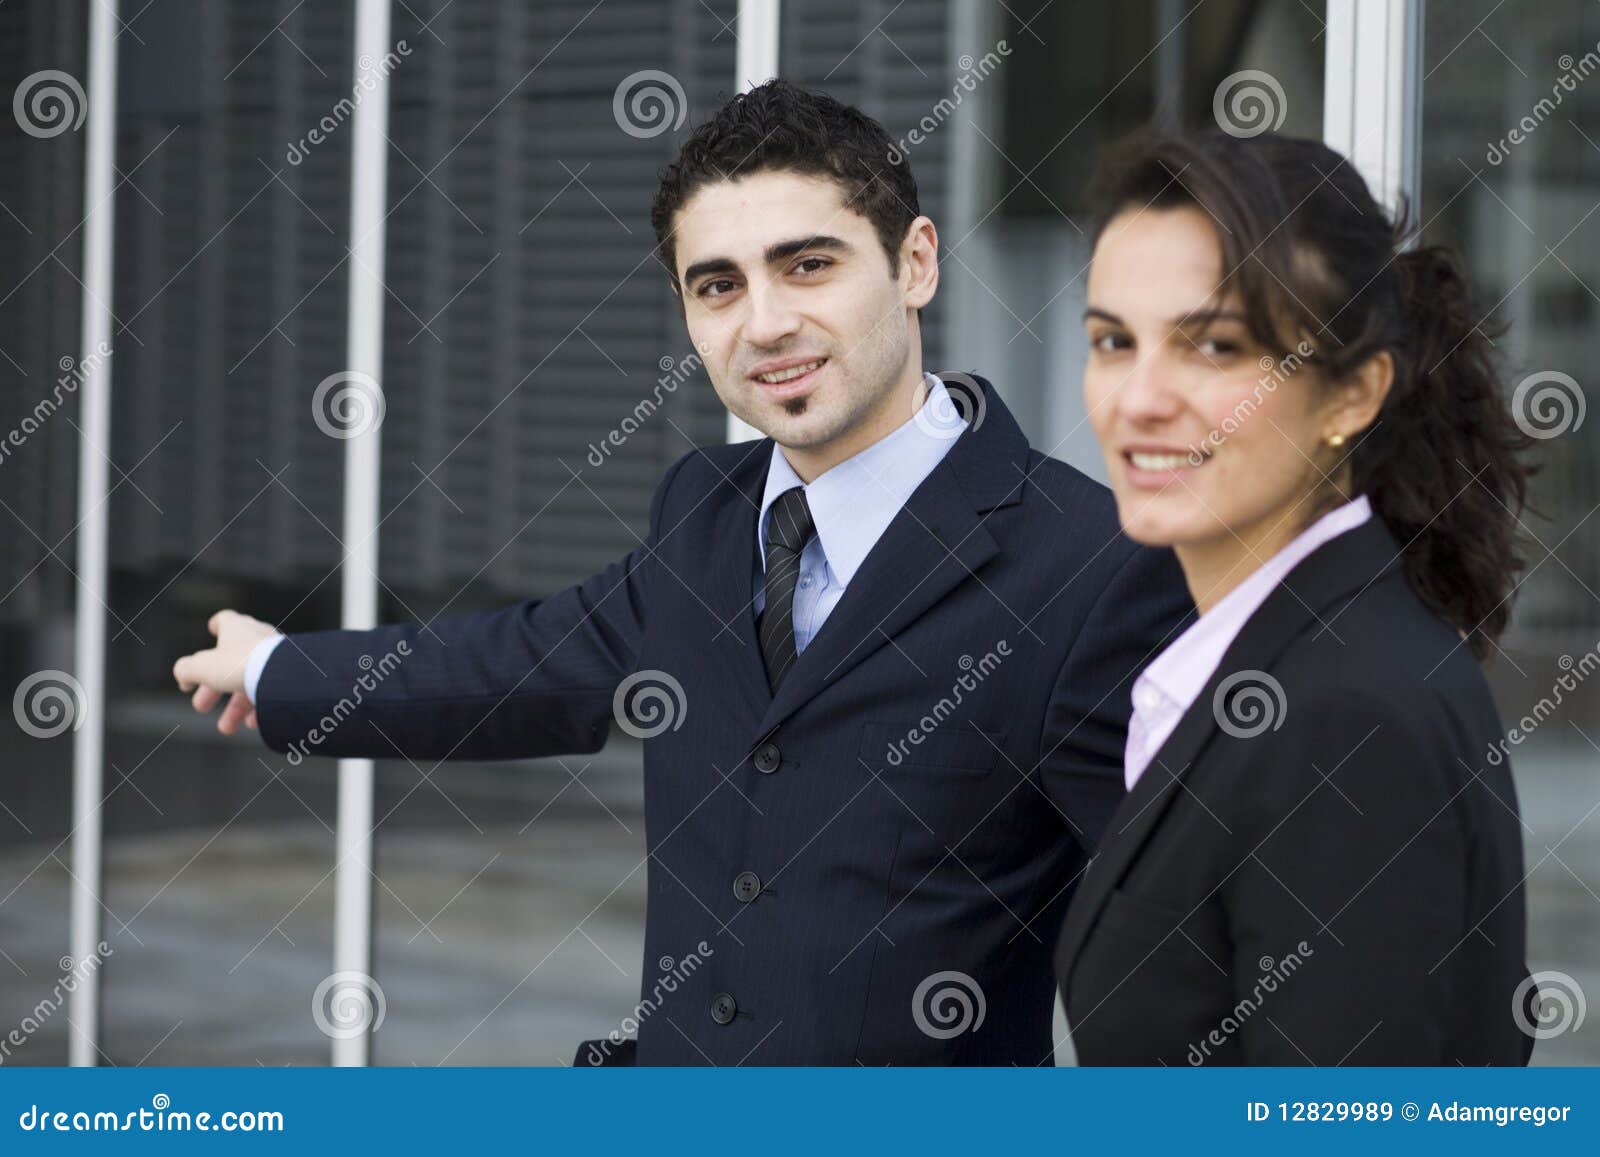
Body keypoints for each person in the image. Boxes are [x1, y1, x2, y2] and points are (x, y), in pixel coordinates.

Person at [173, 79, 1192, 1065]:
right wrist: (278, 671)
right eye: (718, 285)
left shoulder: (1089, 562)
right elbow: (528, 663)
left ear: (913, 262)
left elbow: (1169, 937)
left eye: (807, 266)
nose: (763, 324)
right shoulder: (703, 509)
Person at [1054, 129, 1535, 1065]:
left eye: (1216, 345)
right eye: (1113, 340)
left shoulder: (1343, 717)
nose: (1138, 399)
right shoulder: (1285, 653)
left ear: (1353, 394)